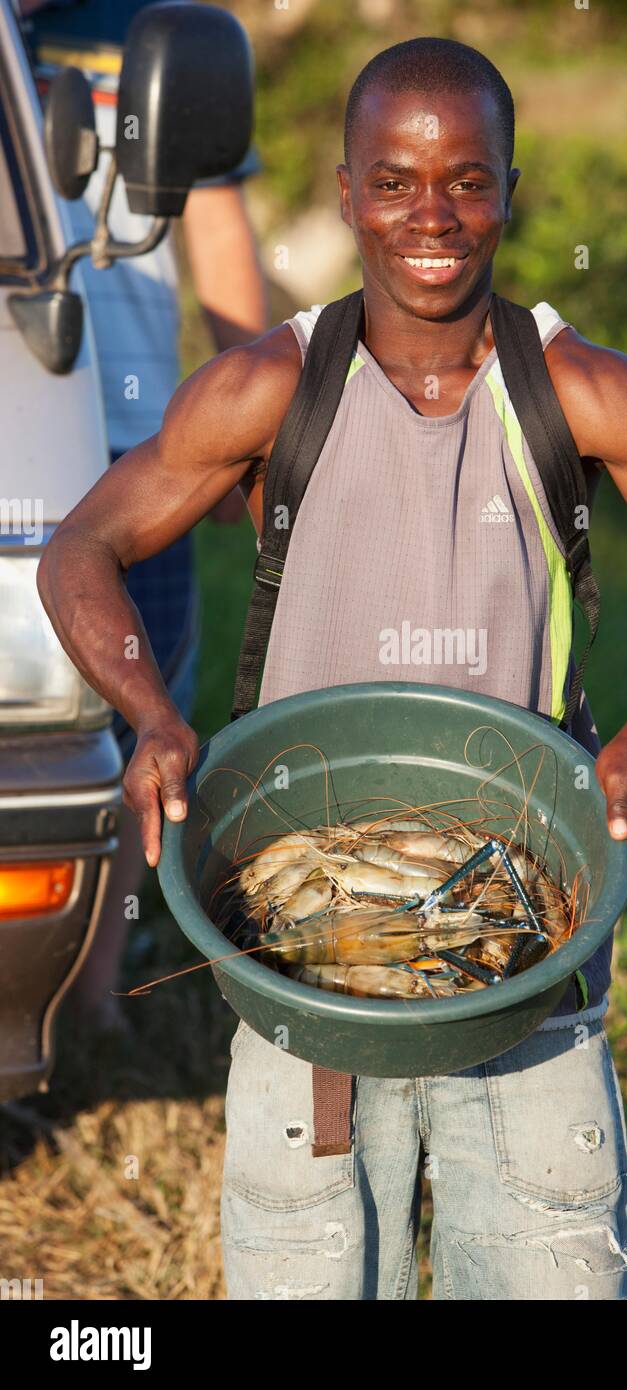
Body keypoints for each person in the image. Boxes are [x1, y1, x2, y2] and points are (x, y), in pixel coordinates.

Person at [37, 38, 627, 1299]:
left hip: (523, 955)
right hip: (302, 956)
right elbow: (83, 548)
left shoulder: (576, 392)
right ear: (344, 191)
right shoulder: (266, 390)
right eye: (394, 181)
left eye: (465, 179)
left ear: (510, 188)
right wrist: (151, 721)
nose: (431, 217)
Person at [20, 0, 268, 1027]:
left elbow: (215, 230)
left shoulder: (155, 32)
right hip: (13, 410)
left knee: (142, 698)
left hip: (128, 428)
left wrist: (251, 408)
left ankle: (91, 991)